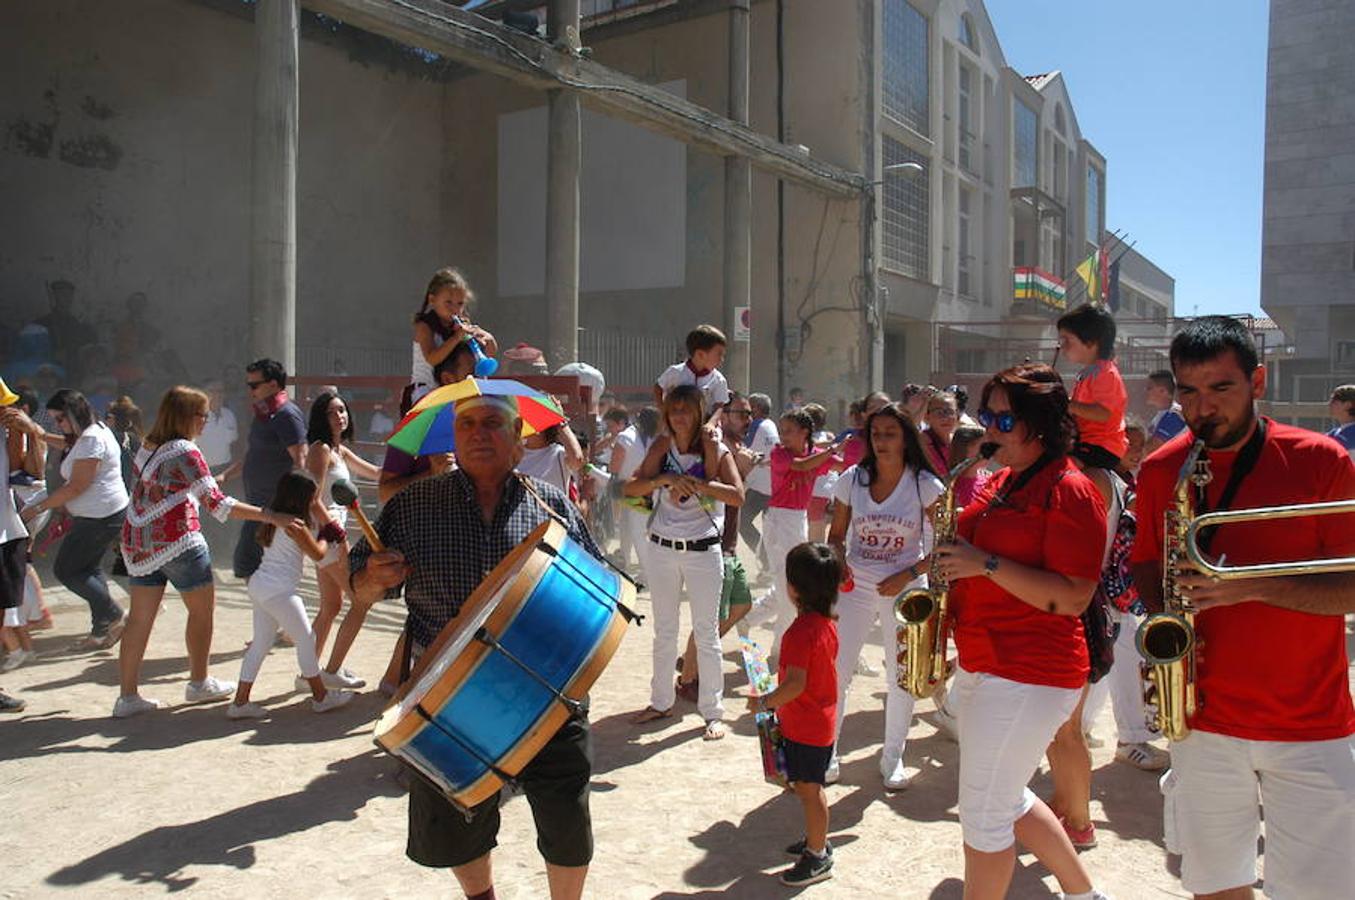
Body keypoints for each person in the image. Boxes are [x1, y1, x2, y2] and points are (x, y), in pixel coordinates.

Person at [1131, 316, 1355, 900]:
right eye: (1188, 391)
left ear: (1257, 381)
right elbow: (1145, 562)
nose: (1202, 408)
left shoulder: (1320, 460)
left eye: (1220, 388)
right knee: (1213, 886)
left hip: (1309, 724)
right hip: (1201, 719)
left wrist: (1249, 586)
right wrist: (1167, 618)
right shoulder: (1162, 469)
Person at [350, 393, 603, 900]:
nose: (478, 433)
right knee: (455, 818)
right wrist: (373, 578)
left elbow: (596, 592)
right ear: (453, 438)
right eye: (466, 424)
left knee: (567, 819)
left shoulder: (551, 507)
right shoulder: (412, 506)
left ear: (518, 442)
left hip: (547, 689)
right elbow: (359, 584)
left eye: (492, 423)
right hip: (447, 695)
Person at [932, 362, 1111, 900]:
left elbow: (1074, 595)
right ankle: (1086, 896)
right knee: (1005, 799)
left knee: (983, 816)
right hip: (988, 663)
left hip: (1031, 671)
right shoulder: (1001, 481)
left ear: (1040, 425)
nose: (988, 431)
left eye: (1003, 422)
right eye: (987, 417)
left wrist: (981, 563)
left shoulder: (1072, 490)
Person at [115, 386, 300, 718]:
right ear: (186, 417)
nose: (205, 422)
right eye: (202, 415)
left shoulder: (148, 445)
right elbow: (218, 505)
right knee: (201, 613)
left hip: (138, 542)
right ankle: (198, 683)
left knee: (139, 620)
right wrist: (270, 515)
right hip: (178, 540)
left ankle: (127, 697)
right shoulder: (186, 451)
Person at [827, 402, 942, 788]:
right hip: (856, 585)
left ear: (906, 439)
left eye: (890, 433)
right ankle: (828, 750)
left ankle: (892, 756)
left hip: (906, 588)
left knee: (901, 676)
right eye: (875, 434)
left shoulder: (925, 486)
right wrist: (840, 562)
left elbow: (946, 544)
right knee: (838, 671)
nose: (881, 441)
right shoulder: (851, 480)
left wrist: (908, 574)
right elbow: (837, 537)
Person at [626, 385, 744, 740]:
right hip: (662, 548)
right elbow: (632, 488)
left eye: (686, 409)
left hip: (703, 550)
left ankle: (712, 711)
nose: (679, 416)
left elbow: (737, 495)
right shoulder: (662, 447)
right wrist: (662, 479)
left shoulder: (715, 448)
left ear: (699, 412)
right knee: (664, 629)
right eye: (673, 409)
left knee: (707, 633)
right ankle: (661, 700)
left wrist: (700, 484)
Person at [746, 542, 840, 887]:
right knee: (807, 787)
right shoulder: (824, 623)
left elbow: (797, 684)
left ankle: (818, 855)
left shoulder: (801, 632)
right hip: (817, 721)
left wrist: (764, 701)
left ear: (794, 587)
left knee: (808, 789)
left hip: (807, 726)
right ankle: (817, 838)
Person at [228, 471, 354, 718]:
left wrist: (325, 534)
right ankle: (321, 697)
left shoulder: (275, 519)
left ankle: (240, 703)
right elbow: (318, 555)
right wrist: (328, 537)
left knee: (260, 645)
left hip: (260, 585)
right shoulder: (297, 524)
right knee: (306, 641)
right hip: (280, 591)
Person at [21, 389, 130, 649]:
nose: (58, 425)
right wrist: (39, 434)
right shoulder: (90, 433)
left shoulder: (92, 439)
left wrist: (37, 509)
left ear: (72, 414)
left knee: (66, 570)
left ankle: (115, 614)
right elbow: (69, 445)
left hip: (100, 517)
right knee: (89, 569)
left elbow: (76, 487)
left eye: (60, 419)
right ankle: (101, 630)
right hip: (99, 514)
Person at [304, 391, 383, 689]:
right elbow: (312, 498)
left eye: (342, 410)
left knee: (330, 607)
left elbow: (376, 472)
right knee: (361, 598)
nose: (340, 416)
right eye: (332, 412)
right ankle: (331, 671)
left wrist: (417, 465)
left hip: (329, 536)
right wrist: (333, 531)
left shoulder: (339, 450)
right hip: (326, 537)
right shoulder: (320, 450)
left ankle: (308, 672)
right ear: (321, 418)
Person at [764, 409, 845, 654]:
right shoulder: (780, 453)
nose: (783, 436)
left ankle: (750, 618)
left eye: (789, 431)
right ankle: (779, 650)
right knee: (791, 587)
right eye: (782, 431)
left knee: (788, 584)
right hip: (780, 520)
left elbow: (845, 467)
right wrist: (832, 450)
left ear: (804, 432)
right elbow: (801, 466)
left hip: (797, 520)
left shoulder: (816, 454)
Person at [232, 359, 307, 580]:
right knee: (251, 565)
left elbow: (301, 464)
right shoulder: (264, 415)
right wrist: (224, 476)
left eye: (254, 385)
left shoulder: (286, 415)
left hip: (273, 509)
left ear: (273, 385)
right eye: (249, 385)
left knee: (249, 564)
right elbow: (252, 456)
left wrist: (289, 508)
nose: (250, 391)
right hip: (259, 507)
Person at [408, 268, 497, 409]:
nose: (454, 309)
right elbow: (432, 358)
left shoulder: (461, 325)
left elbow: (490, 352)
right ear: (432, 300)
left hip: (453, 390)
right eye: (448, 302)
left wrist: (486, 337)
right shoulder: (424, 327)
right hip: (426, 391)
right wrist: (456, 338)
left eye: (460, 304)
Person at [1, 378, 42, 672]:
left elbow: (30, 472)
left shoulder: (6, 436)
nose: (8, 409)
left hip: (7, 532)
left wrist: (27, 431)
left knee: (3, 610)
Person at [1057, 303, 1128, 470]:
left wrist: (1068, 405)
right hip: (1086, 443)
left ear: (1090, 342)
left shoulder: (1105, 373)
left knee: (1063, 470)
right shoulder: (1088, 373)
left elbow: (1103, 413)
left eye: (1067, 340)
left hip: (1101, 446)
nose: (1062, 346)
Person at [652, 325, 730, 424]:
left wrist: (711, 424)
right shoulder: (675, 372)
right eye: (719, 354)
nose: (721, 360)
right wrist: (664, 411)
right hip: (677, 424)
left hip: (703, 425)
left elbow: (719, 406)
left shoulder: (718, 380)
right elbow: (658, 388)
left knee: (714, 439)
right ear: (700, 354)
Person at [738, 392, 780, 578]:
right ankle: (769, 566)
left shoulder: (755, 425)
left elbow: (740, 447)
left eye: (749, 408)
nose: (745, 413)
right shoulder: (771, 424)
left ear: (756, 409)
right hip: (771, 484)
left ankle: (766, 560)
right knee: (768, 528)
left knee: (741, 521)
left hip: (760, 485)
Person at [517, 423, 586, 496]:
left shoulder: (559, 453)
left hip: (552, 506)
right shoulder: (514, 452)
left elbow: (577, 460)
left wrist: (561, 423)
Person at [1143, 369, 1187, 455]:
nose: (1145, 391)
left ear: (1163, 391)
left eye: (1149, 388)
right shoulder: (1161, 416)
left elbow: (1152, 448)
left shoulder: (1174, 415)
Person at [921, 389, 961, 475]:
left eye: (950, 412)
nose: (945, 417)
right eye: (939, 412)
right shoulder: (921, 444)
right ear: (927, 417)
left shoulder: (959, 442)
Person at [1327, 383, 1355, 458]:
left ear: (1348, 405)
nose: (1329, 404)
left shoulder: (1351, 434)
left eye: (1334, 401)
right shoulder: (1334, 433)